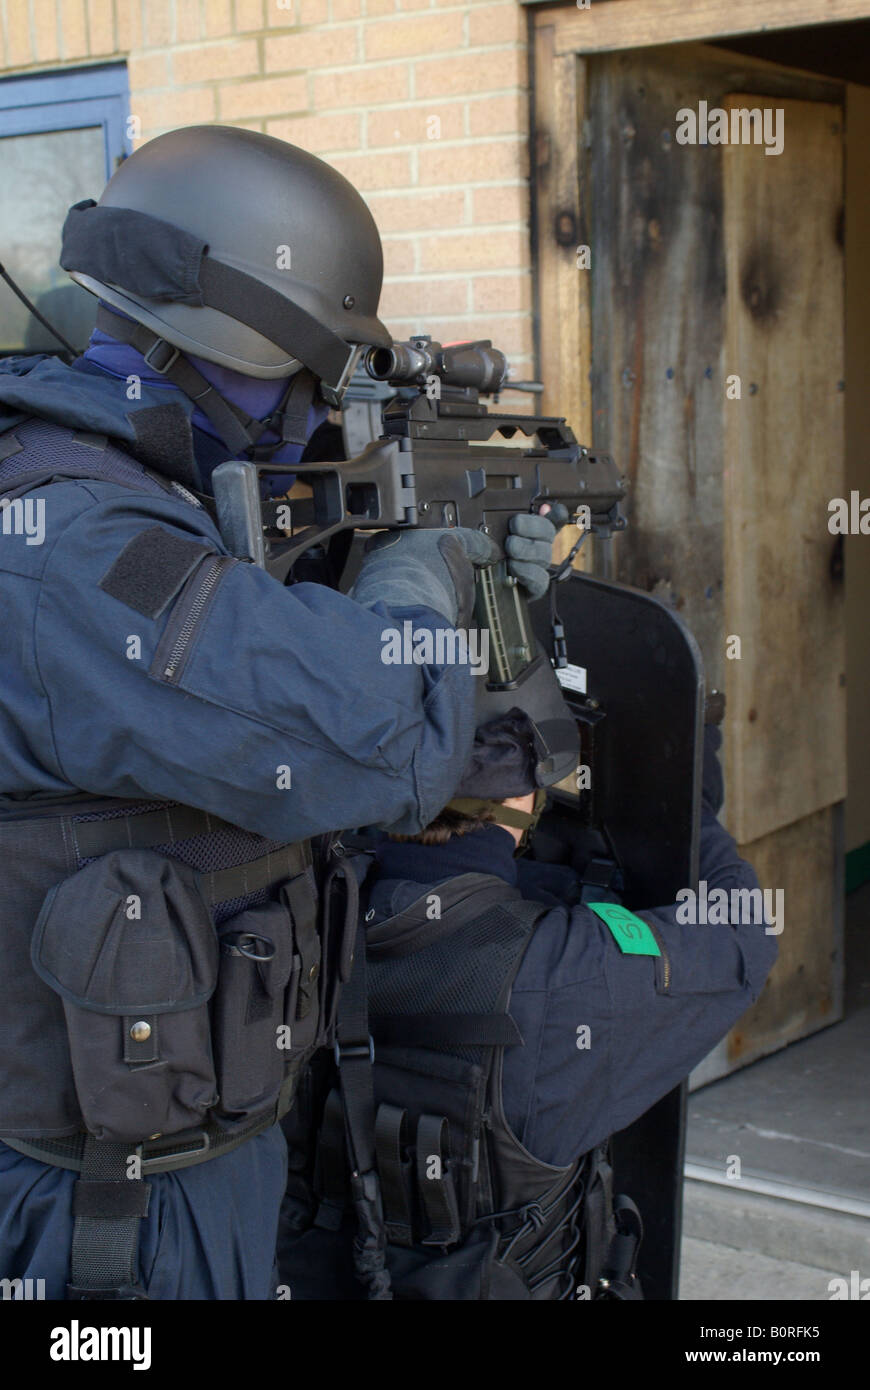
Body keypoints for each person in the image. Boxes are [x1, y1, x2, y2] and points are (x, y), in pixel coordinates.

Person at [0, 124, 554, 1301]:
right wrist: (421, 567)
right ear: (232, 347)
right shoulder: (73, 549)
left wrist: (451, 599)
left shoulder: (120, 493)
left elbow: (220, 740)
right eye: (304, 377)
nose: (306, 413)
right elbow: (383, 725)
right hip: (105, 1206)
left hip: (164, 1146)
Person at [277, 711, 779, 1300]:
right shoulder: (567, 971)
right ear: (524, 797)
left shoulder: (304, 913)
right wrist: (682, 795)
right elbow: (742, 932)